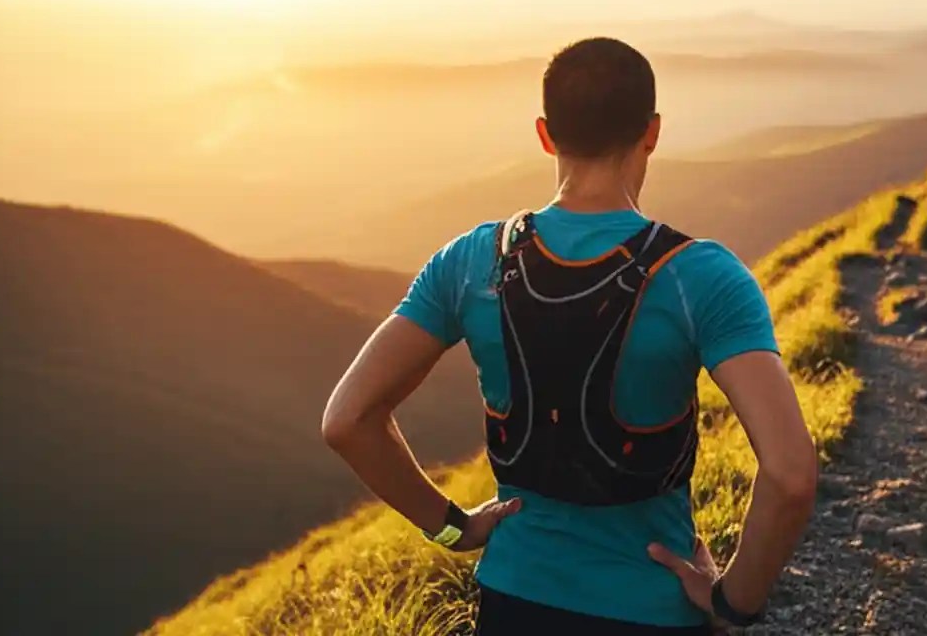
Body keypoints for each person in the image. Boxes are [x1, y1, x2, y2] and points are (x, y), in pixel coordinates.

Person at [322, 37, 817, 634]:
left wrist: (453, 525)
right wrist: (731, 601)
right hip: (652, 608)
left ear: (545, 134)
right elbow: (790, 473)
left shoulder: (471, 261)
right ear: (652, 131)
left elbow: (347, 420)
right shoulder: (701, 276)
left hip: (511, 604)